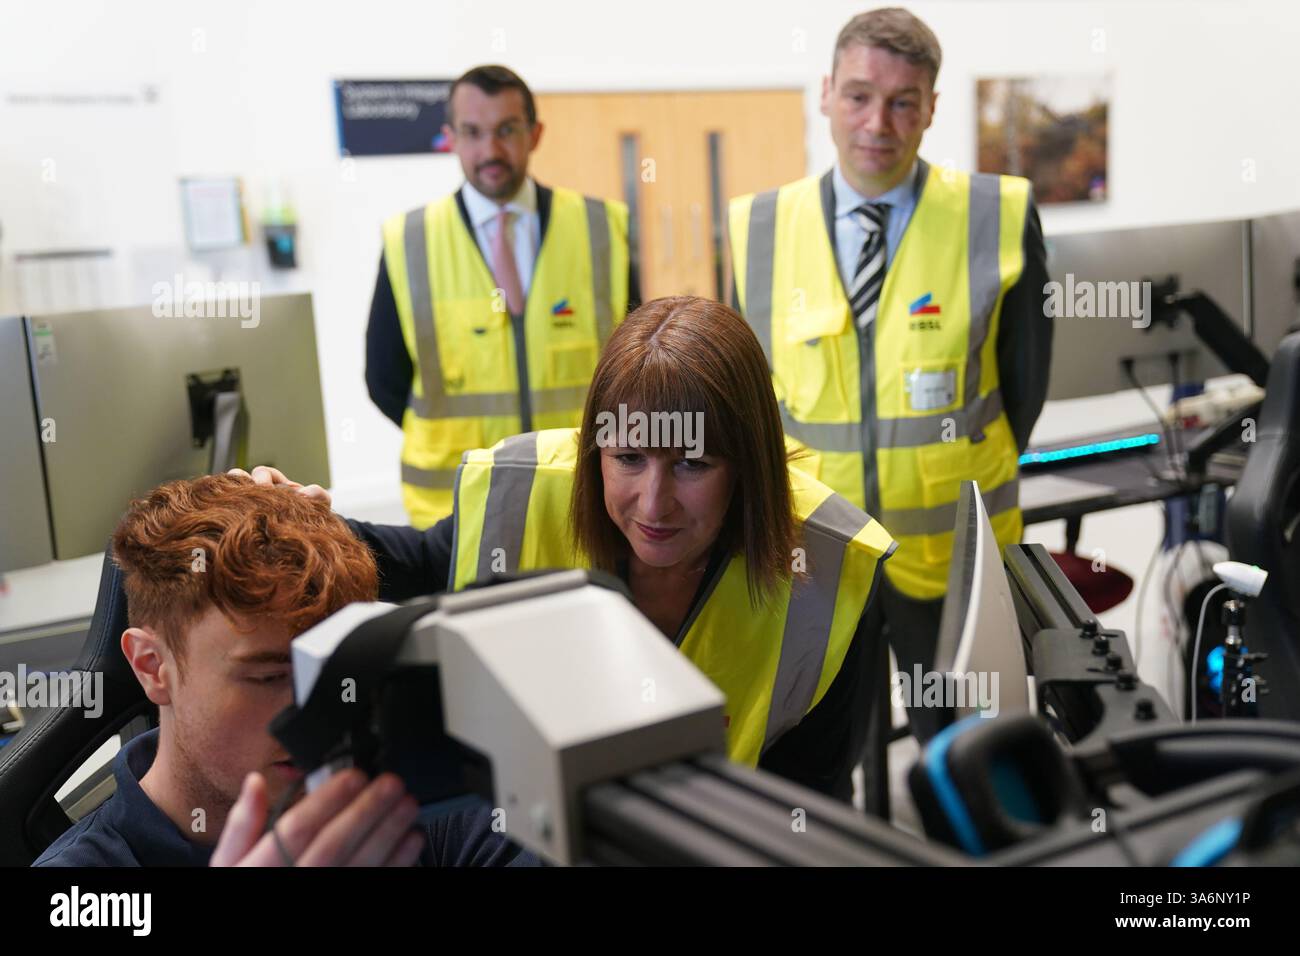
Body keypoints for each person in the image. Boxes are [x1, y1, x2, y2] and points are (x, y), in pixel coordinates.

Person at [274, 297, 896, 801]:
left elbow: (808, 806)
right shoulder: (521, 493)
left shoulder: (832, 567)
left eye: (693, 465)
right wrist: (288, 522)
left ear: (750, 465)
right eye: (628, 458)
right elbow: (402, 563)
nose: (653, 505)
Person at [727, 7, 1052, 753]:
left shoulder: (995, 215)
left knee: (970, 753)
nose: (879, 122)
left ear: (933, 109)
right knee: (818, 757)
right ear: (825, 95)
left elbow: (1023, 386)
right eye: (859, 95)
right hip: (816, 553)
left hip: (954, 557)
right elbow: (754, 396)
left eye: (904, 101)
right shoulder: (759, 228)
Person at [34, 474, 531, 867]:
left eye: (334, 670)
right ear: (152, 666)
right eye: (271, 677)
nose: (318, 715)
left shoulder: (420, 810)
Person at [366, 64, 638, 530]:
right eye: (472, 133)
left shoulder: (600, 229)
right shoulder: (410, 240)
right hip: (457, 510)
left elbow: (637, 362)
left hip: (579, 501)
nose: (490, 151)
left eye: (506, 130)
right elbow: (384, 379)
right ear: (450, 137)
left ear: (534, 134)